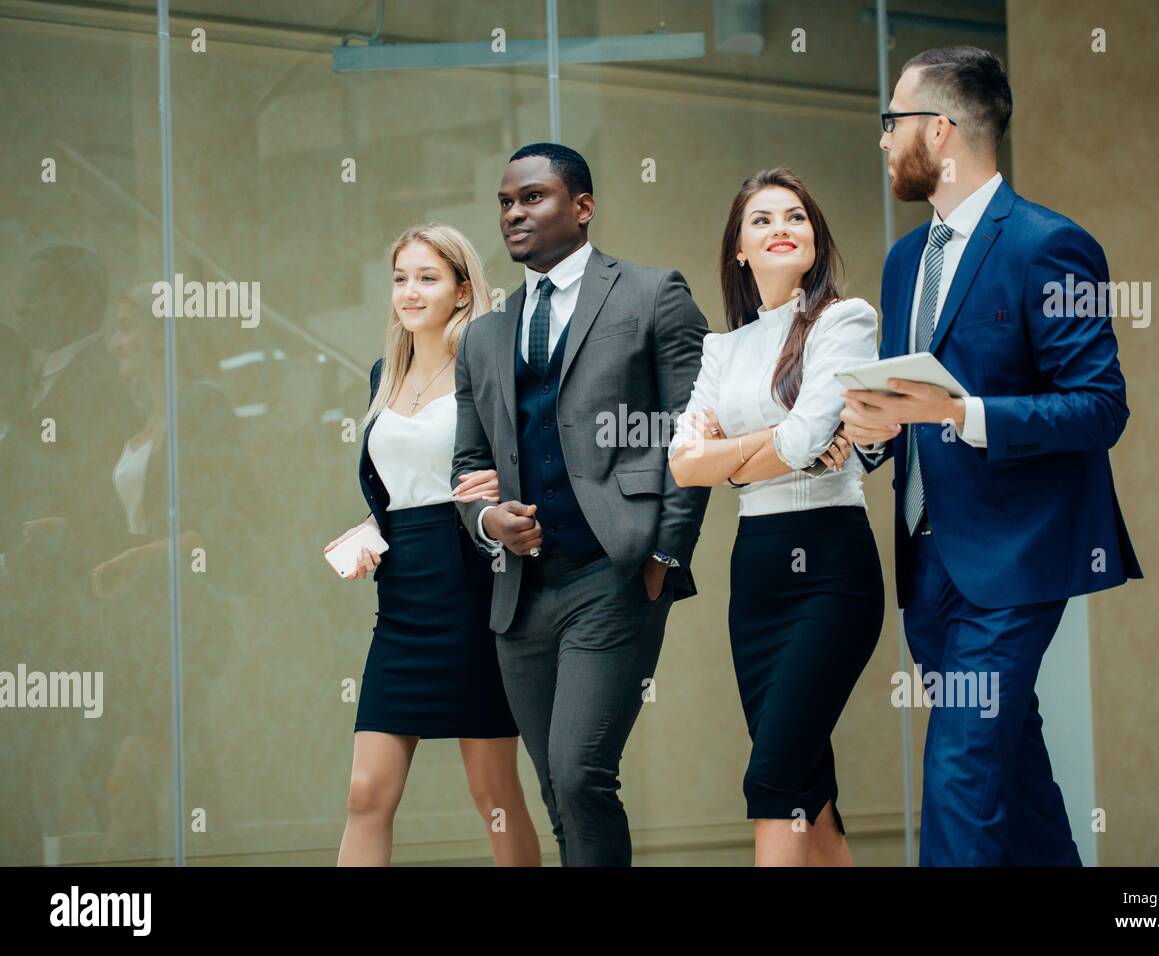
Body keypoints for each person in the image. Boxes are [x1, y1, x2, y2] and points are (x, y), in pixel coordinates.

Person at [840, 46, 1142, 866]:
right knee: (1014, 774)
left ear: (939, 130)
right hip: (928, 566)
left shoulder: (1051, 245)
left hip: (1014, 560)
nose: (882, 141)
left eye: (891, 122)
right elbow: (911, 410)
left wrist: (961, 411)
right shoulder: (907, 260)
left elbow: (1100, 406)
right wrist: (878, 430)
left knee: (960, 775)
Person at [451, 143, 711, 866]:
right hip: (521, 596)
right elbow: (469, 467)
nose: (514, 213)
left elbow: (693, 437)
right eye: (506, 202)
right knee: (555, 791)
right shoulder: (484, 336)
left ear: (583, 207)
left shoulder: (652, 295)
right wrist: (488, 524)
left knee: (580, 772)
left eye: (532, 198)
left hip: (614, 574)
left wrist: (663, 554)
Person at [669, 167, 885, 866]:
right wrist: (780, 446)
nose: (781, 228)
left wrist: (726, 456)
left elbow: (801, 441)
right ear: (739, 248)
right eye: (762, 220)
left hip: (831, 565)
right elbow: (681, 464)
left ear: (815, 239)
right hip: (757, 571)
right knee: (808, 788)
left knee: (773, 776)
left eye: (795, 216)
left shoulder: (843, 322)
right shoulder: (721, 349)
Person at [329, 224, 539, 866]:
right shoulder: (382, 375)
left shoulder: (493, 368)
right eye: (400, 278)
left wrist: (511, 476)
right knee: (366, 793)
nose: (410, 292)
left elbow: (539, 460)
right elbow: (391, 488)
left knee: (493, 790)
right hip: (402, 598)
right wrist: (370, 532)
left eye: (428, 278)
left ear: (462, 289)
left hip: (473, 584)